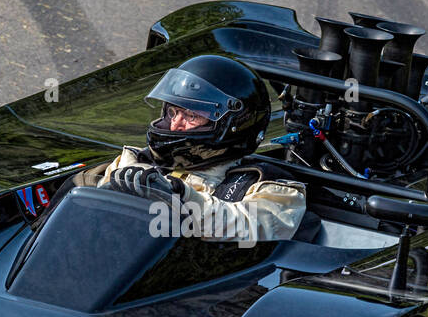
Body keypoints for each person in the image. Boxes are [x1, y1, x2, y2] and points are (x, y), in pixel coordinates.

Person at [98, 54, 306, 243]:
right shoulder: (134, 162)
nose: (175, 125)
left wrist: (181, 196)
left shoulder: (274, 188)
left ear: (231, 126)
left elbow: (251, 225)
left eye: (191, 116)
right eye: (172, 112)